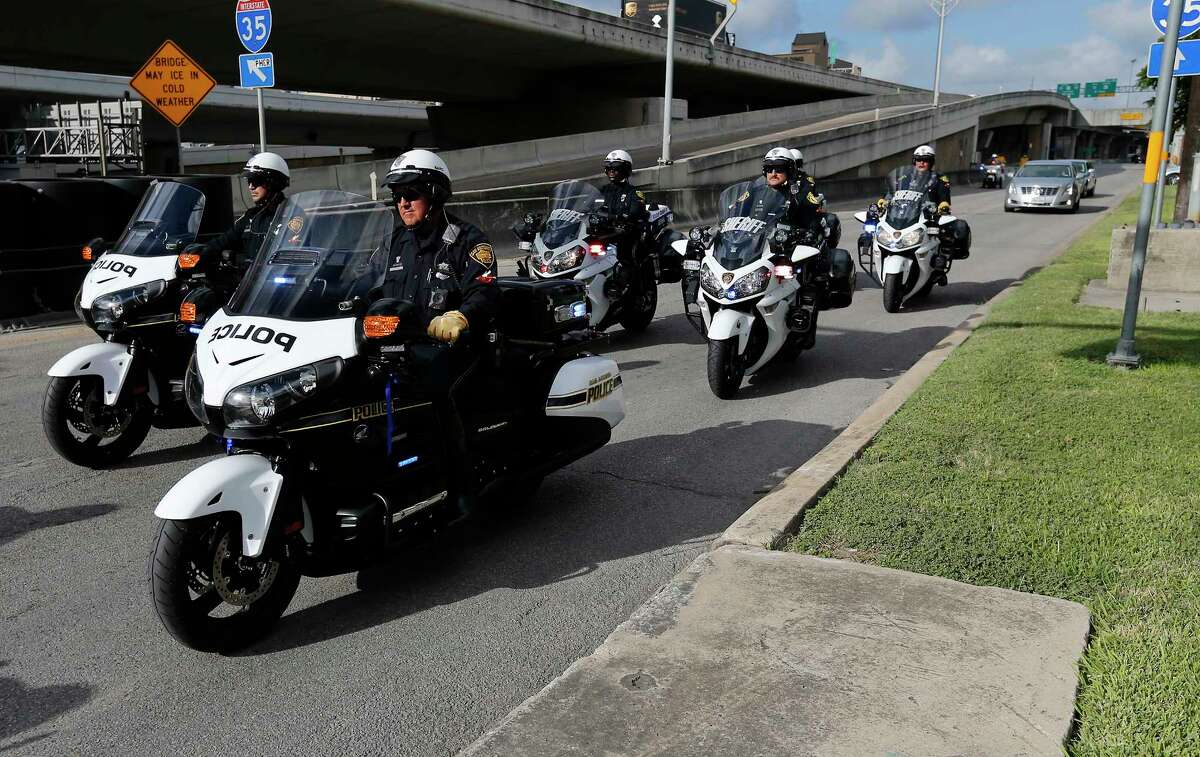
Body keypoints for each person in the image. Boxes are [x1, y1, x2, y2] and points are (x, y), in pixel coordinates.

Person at [378, 149, 499, 345]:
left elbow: (484, 292)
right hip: (394, 351)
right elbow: (366, 288)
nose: (403, 203)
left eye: (410, 193)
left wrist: (461, 317)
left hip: (445, 352)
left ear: (435, 194)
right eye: (397, 195)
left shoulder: (468, 241)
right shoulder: (391, 244)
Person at [191, 152, 290, 272]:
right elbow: (223, 241)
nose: (251, 186)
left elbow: (290, 258)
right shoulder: (251, 216)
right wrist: (198, 252)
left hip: (273, 285)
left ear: (273, 182)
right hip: (246, 285)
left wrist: (241, 260)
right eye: (249, 181)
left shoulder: (290, 216)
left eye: (256, 181)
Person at [598, 149, 650, 292]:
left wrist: (624, 217)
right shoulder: (602, 191)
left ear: (625, 169)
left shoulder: (633, 192)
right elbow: (587, 206)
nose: (611, 171)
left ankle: (621, 286)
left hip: (623, 233)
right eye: (608, 167)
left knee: (625, 255)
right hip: (603, 232)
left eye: (615, 167)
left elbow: (636, 210)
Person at [877, 145, 952, 216]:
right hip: (902, 214)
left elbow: (944, 195)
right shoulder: (904, 177)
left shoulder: (939, 178)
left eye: (925, 160)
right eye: (918, 159)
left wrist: (944, 203)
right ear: (914, 161)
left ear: (931, 162)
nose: (921, 162)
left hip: (929, 215)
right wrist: (884, 199)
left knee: (957, 225)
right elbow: (891, 190)